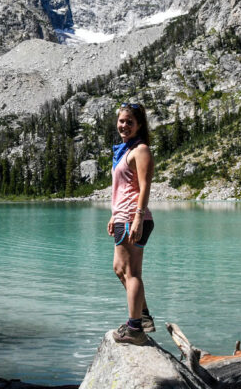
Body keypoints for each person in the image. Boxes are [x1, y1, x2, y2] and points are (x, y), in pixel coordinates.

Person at [108, 103, 155, 345]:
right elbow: (123, 188)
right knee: (119, 269)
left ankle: (135, 327)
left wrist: (137, 217)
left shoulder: (141, 150)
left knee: (131, 272)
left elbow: (145, 186)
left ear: (139, 125)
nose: (124, 125)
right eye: (121, 121)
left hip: (133, 218)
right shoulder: (124, 150)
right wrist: (113, 215)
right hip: (122, 217)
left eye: (129, 122)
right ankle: (142, 315)